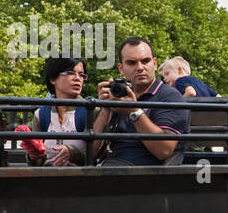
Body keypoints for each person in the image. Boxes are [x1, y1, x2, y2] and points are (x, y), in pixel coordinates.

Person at [93, 36, 189, 166]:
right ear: (121, 69)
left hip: (147, 177)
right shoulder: (118, 96)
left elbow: (164, 150)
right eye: (131, 63)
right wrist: (105, 107)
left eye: (145, 61)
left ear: (154, 64)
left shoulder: (170, 97)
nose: (140, 67)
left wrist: (133, 112)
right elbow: (91, 152)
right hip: (111, 169)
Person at [30, 56, 89, 166]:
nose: (77, 78)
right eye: (70, 73)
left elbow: (95, 156)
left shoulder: (90, 111)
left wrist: (72, 153)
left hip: (80, 179)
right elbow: (36, 164)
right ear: (53, 79)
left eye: (81, 75)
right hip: (47, 177)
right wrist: (33, 156)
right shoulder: (41, 114)